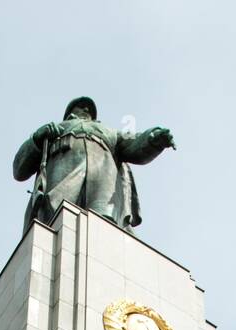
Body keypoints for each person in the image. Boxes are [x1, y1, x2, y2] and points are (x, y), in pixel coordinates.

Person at [13, 97, 175, 233]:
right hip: (63, 173)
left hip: (103, 175)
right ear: (70, 112)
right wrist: (36, 139)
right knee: (54, 219)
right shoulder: (56, 128)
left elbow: (135, 144)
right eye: (80, 106)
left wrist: (154, 139)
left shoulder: (109, 132)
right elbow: (19, 170)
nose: (85, 109)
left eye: (89, 108)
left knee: (104, 224)